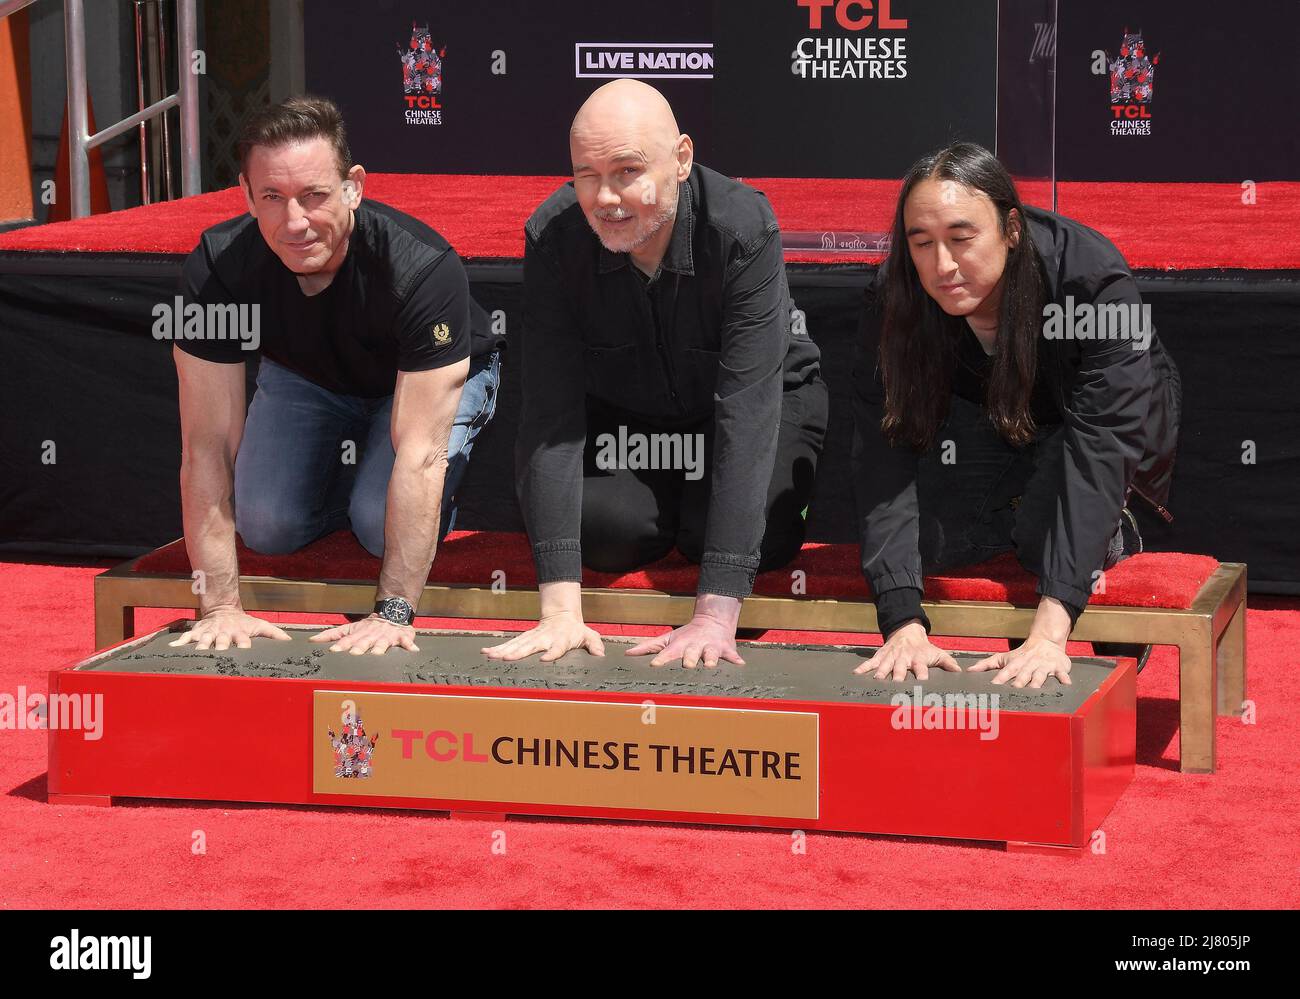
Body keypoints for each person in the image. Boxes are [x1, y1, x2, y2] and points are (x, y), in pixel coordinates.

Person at [485, 79, 826, 668]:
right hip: (635, 416)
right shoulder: (554, 237)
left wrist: (715, 615)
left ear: (682, 160)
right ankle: (675, 502)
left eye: (627, 171)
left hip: (757, 403)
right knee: (611, 534)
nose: (606, 197)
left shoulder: (743, 228)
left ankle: (697, 513)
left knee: (742, 539)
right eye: (586, 174)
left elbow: (746, 413)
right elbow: (548, 412)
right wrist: (560, 610)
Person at [169, 96, 501, 656]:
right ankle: (356, 484)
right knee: (268, 526)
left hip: (414, 381)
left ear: (353, 187)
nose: (294, 222)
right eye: (272, 197)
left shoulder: (421, 267)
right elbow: (204, 445)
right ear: (246, 195)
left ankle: (373, 496)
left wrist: (394, 612)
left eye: (314, 195)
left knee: (377, 524)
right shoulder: (216, 270)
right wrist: (220, 606)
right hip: (307, 376)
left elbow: (420, 454)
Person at [851, 142, 1181, 688]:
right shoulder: (894, 297)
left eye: (961, 239)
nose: (943, 265)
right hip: (994, 409)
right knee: (938, 545)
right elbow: (881, 452)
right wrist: (901, 621)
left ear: (1011, 228)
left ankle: (1112, 535)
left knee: (1043, 536)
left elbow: (1102, 443)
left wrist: (1050, 633)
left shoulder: (1092, 282)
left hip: (1096, 415)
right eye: (922, 244)